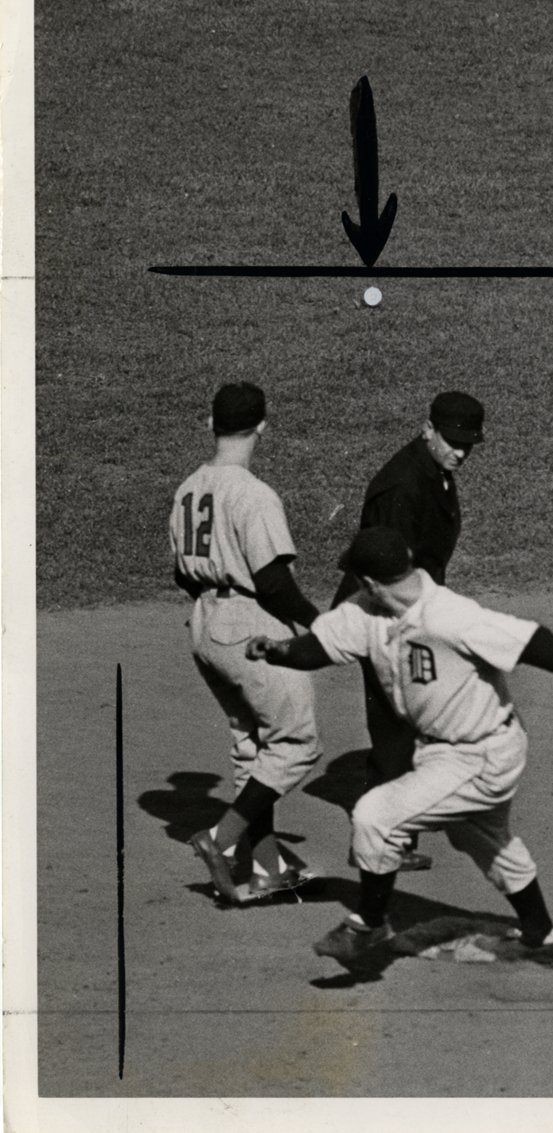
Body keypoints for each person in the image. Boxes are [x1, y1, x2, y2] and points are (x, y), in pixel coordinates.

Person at [248, 527, 553, 969]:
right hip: (444, 752)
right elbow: (319, 647)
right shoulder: (367, 611)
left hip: (484, 754)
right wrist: (279, 651)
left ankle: (369, 921)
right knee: (483, 840)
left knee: (375, 815)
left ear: (368, 581)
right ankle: (542, 933)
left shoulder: (451, 617)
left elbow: (535, 641)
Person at [171, 383, 323, 904]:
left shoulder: (188, 488)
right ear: (264, 424)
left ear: (208, 423)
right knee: (297, 742)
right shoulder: (253, 494)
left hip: (204, 624)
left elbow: (180, 574)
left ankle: (265, 869)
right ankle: (220, 839)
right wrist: (314, 625)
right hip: (249, 621)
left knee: (252, 747)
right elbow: (274, 583)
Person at [332, 391, 486, 870]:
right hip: (383, 618)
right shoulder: (403, 487)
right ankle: (378, 843)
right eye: (452, 441)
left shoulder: (433, 472)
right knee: (396, 729)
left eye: (467, 444)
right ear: (428, 429)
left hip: (409, 613)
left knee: (412, 721)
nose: (459, 452)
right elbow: (385, 571)